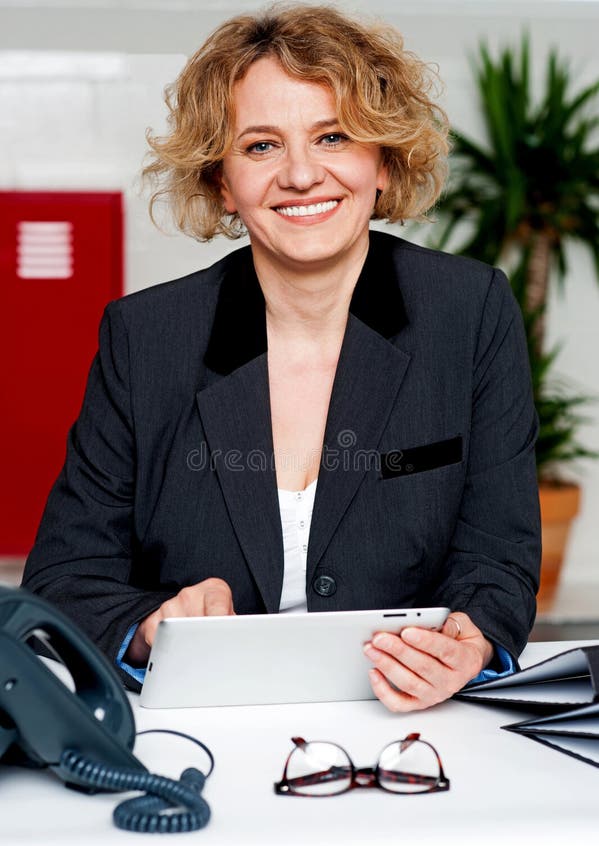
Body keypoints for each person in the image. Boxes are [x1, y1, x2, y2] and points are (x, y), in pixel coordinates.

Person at [22, 3, 541, 711]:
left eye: (333, 136)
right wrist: (151, 628)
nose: (300, 174)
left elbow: (498, 555)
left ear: (383, 162)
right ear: (222, 183)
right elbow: (65, 576)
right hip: (207, 718)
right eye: (261, 146)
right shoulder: (145, 336)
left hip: (415, 723)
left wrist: (468, 643)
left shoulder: (469, 310)